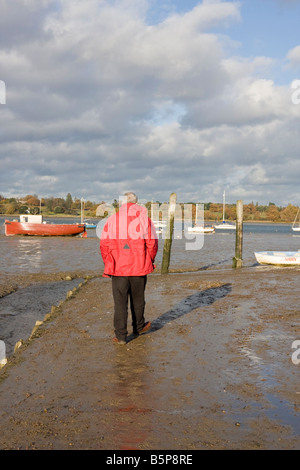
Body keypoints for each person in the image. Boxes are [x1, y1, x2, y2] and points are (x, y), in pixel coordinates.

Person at [100, 192, 158, 344]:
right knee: (138, 300)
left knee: (120, 303)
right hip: (139, 266)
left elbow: (104, 244)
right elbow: (152, 244)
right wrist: (149, 260)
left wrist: (108, 262)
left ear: (122, 204)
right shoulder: (144, 219)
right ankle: (138, 327)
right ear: (136, 203)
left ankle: (121, 336)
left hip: (118, 267)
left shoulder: (112, 219)